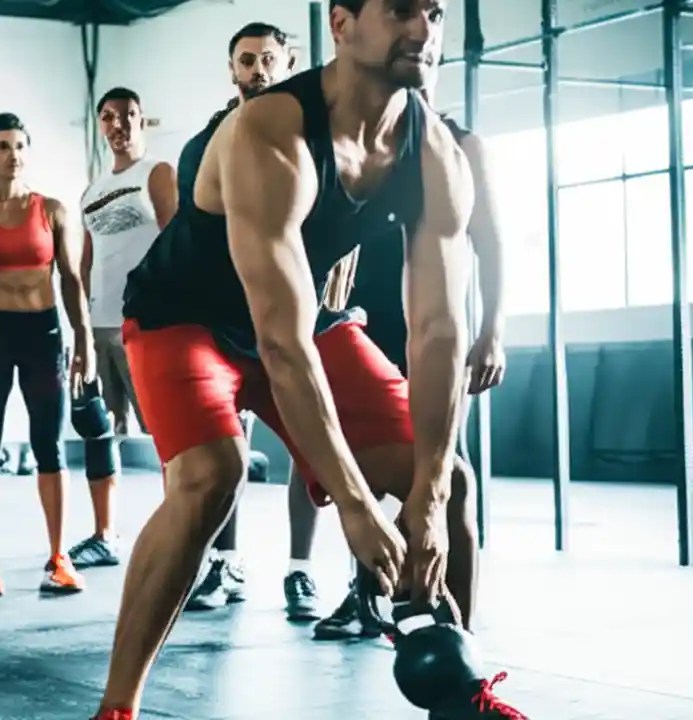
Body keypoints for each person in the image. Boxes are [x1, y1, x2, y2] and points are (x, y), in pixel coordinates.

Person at [92, 1, 526, 718]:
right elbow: (280, 344)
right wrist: (354, 503)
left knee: (448, 480)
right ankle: (117, 707)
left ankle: (459, 696)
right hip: (186, 316)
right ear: (344, 23)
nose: (422, 31)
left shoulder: (437, 155)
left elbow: (439, 331)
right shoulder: (270, 130)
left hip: (300, 320)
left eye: (434, 13)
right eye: (399, 12)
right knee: (212, 476)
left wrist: (427, 502)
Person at [313, 63, 507, 641]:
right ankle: (367, 594)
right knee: (369, 470)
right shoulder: (362, 147)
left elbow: (491, 244)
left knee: (447, 477)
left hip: (437, 335)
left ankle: (458, 630)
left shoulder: (461, 147)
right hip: (364, 329)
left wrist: (492, 329)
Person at [170, 22, 325, 620]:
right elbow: (196, 230)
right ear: (231, 70)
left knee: (313, 438)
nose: (257, 69)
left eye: (268, 59)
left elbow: (336, 212)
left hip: (293, 311)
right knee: (227, 447)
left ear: (287, 64)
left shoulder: (314, 137)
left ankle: (301, 570)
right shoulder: (205, 142)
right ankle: (224, 564)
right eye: (246, 60)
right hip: (225, 317)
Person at [0, 112, 93, 597]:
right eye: (2, 146)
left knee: (49, 445)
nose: (12, 154)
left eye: (19, 145)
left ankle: (58, 557)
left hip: (44, 333)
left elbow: (72, 281)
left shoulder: (52, 210)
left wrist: (85, 342)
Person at [68, 87, 176, 570]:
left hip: (147, 325)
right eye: (109, 117)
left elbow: (176, 242)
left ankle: (181, 534)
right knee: (99, 431)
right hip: (100, 327)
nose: (120, 125)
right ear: (101, 125)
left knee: (168, 437)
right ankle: (103, 535)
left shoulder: (157, 173)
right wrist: (82, 330)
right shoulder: (90, 191)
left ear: (142, 121)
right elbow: (86, 264)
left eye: (129, 115)